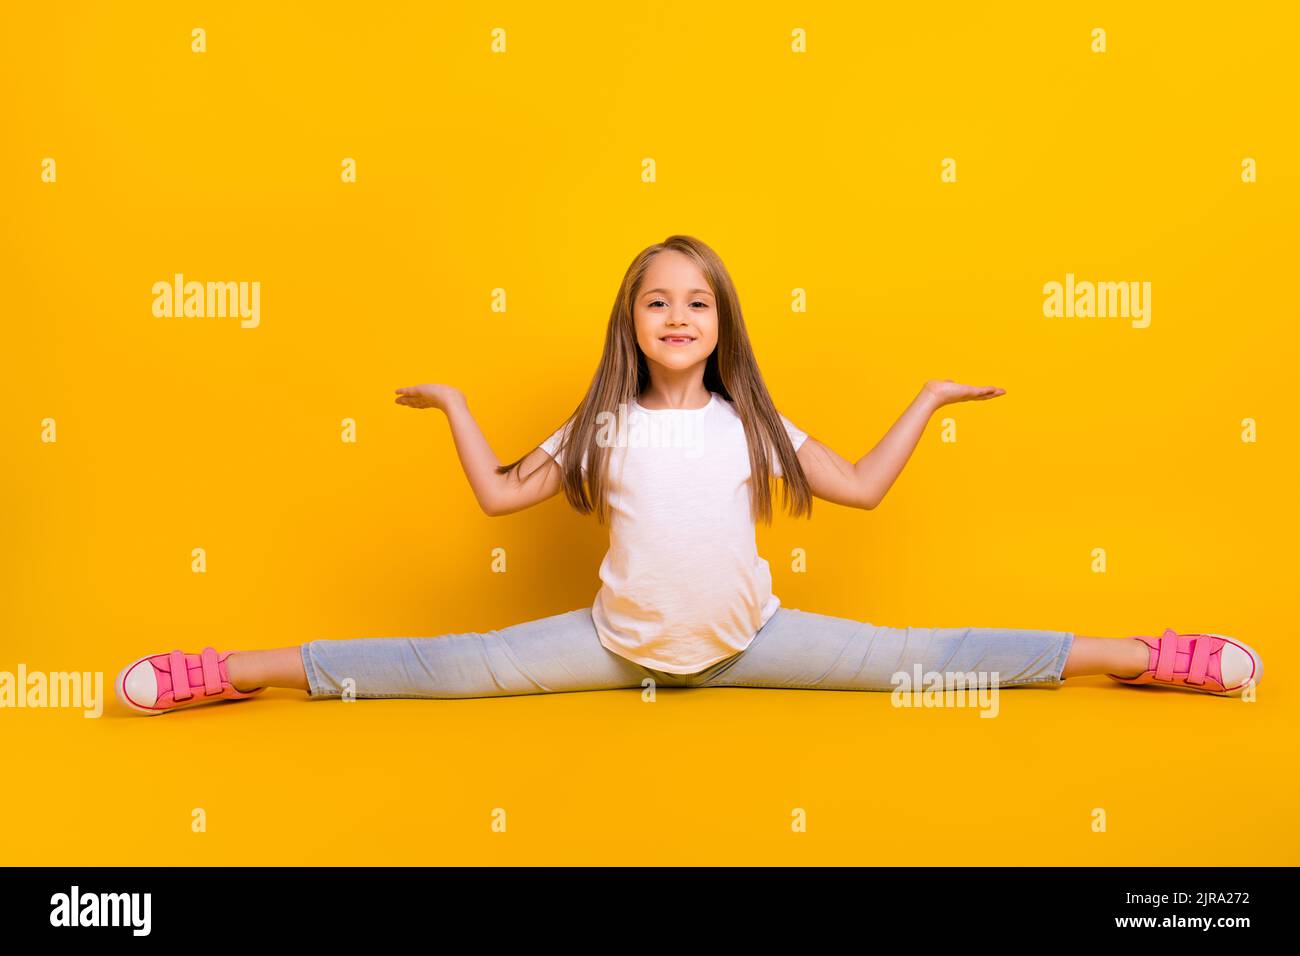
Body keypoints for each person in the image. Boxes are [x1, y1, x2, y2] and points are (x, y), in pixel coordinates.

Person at [114, 235, 1262, 715]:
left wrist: (923, 403)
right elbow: (501, 498)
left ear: (720, 325)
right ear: (632, 319)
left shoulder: (752, 415)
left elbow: (858, 486)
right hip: (615, 644)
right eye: (655, 299)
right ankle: (231, 668)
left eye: (694, 301)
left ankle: (1137, 654)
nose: (675, 314)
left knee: (926, 664)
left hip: (754, 638)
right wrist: (460, 409)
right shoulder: (599, 418)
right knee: (447, 669)